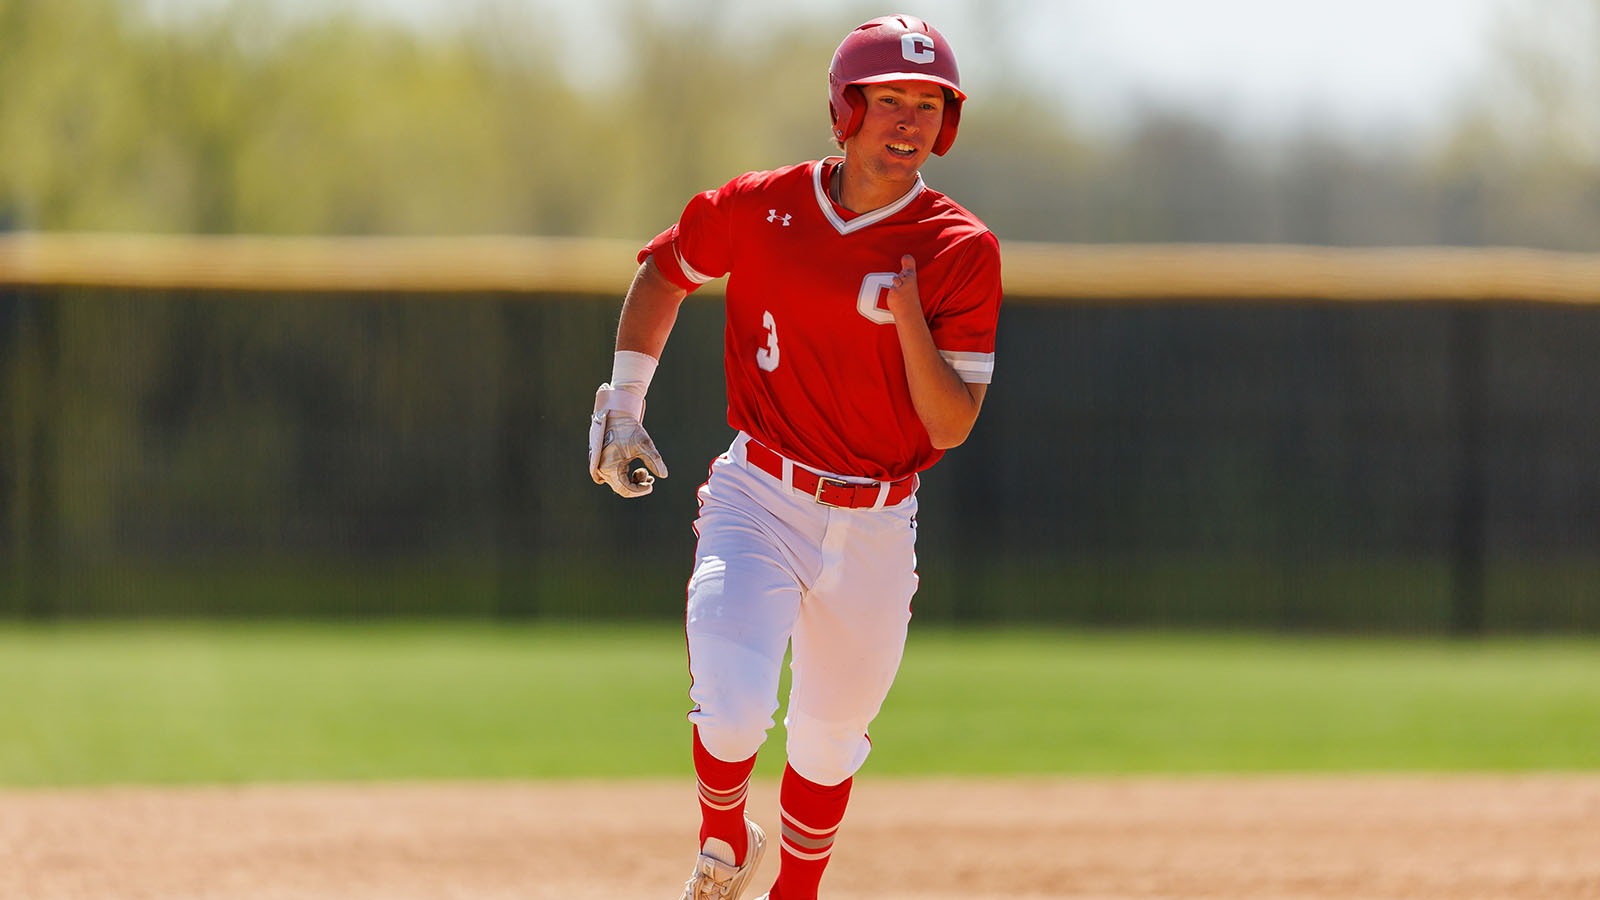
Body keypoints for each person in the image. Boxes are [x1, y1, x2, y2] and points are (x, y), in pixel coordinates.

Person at [587, 14, 1002, 900]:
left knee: (827, 739)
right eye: (889, 99)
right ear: (845, 109)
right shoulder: (760, 205)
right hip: (761, 493)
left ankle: (796, 891)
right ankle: (724, 839)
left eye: (929, 103)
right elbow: (665, 273)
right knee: (733, 708)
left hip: (880, 517)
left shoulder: (960, 248)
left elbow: (952, 425)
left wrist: (909, 320)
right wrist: (621, 405)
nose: (910, 120)